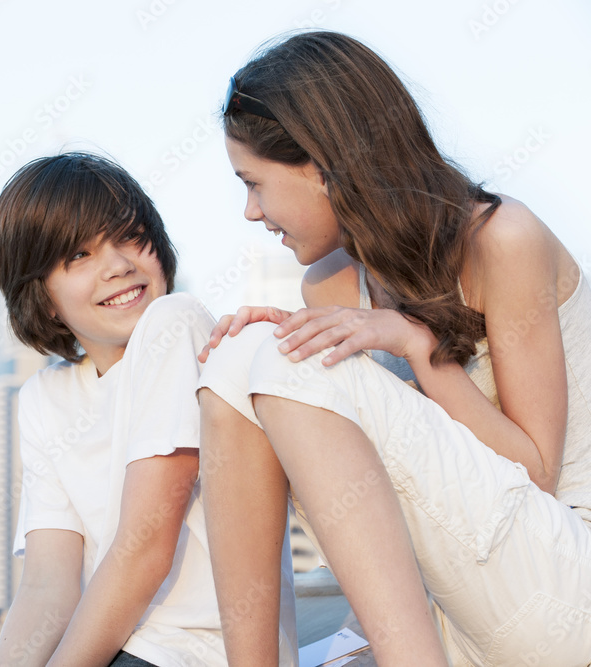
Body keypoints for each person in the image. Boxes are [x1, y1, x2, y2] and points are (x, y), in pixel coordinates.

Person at [197, 31, 591, 666]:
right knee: (241, 353)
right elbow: (376, 495)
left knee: (273, 354)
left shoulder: (501, 239)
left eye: (254, 182)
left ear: (322, 166)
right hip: (443, 607)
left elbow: (536, 472)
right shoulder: (327, 283)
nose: (250, 211)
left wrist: (416, 346)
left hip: (563, 584)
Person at [0, 152, 298, 667]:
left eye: (129, 236)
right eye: (79, 255)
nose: (118, 264)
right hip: (114, 649)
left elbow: (145, 549)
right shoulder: (45, 397)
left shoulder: (177, 324)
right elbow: (47, 585)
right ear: (40, 298)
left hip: (198, 653)